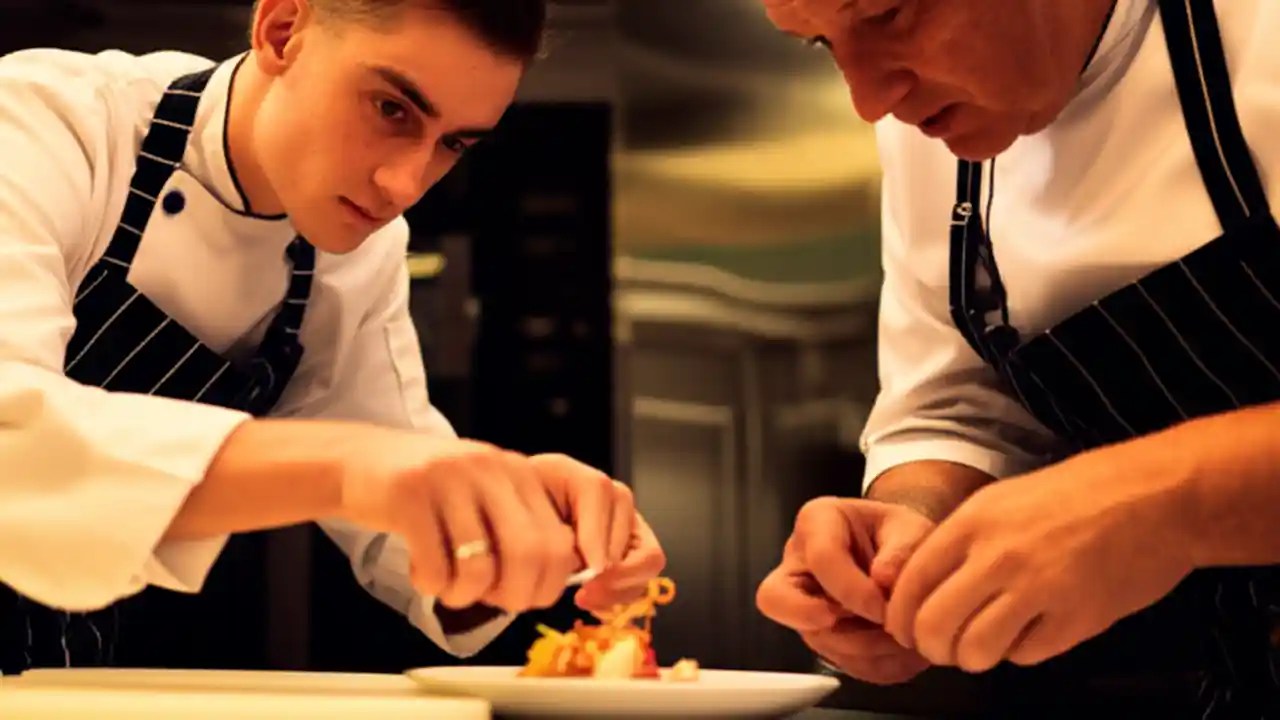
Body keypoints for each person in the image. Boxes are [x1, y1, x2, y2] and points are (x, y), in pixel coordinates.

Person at [0, 0, 665, 674]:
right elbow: (10, 438)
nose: (405, 184)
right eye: (390, 109)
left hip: (58, 672)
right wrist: (350, 466)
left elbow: (402, 529)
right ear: (283, 30)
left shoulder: (356, 256)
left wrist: (517, 518)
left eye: (453, 143)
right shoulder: (43, 122)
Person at [755, 0, 1280, 716]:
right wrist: (909, 540)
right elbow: (958, 409)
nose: (869, 100)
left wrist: (1163, 506)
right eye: (821, 43)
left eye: (887, 13)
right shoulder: (927, 131)